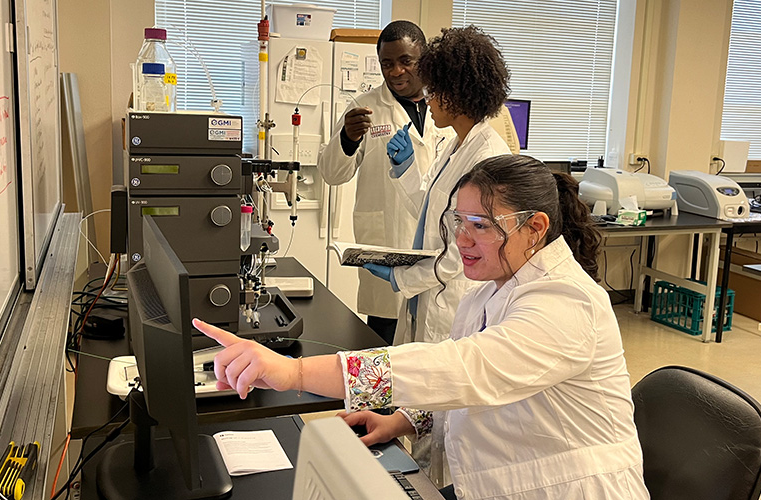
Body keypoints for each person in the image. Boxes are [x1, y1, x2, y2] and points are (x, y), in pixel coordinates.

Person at [194, 155, 650, 500]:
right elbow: (462, 388)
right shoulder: (490, 287)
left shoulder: (567, 303)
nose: (463, 241)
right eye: (457, 222)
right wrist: (404, 419)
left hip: (570, 489)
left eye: (481, 226)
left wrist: (294, 374)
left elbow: (463, 370)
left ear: (535, 229)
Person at [364, 26, 512, 347]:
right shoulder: (458, 145)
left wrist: (402, 277)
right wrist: (406, 169)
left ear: (457, 93)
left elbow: (466, 250)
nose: (426, 98)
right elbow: (435, 212)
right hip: (431, 295)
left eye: (434, 90)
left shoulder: (486, 157)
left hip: (454, 300)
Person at [317, 20, 450, 344]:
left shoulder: (447, 106)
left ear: (424, 60)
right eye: (387, 64)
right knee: (383, 344)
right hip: (387, 240)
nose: (395, 72)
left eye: (406, 61)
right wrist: (347, 139)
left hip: (439, 245)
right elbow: (333, 174)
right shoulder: (366, 108)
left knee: (433, 337)